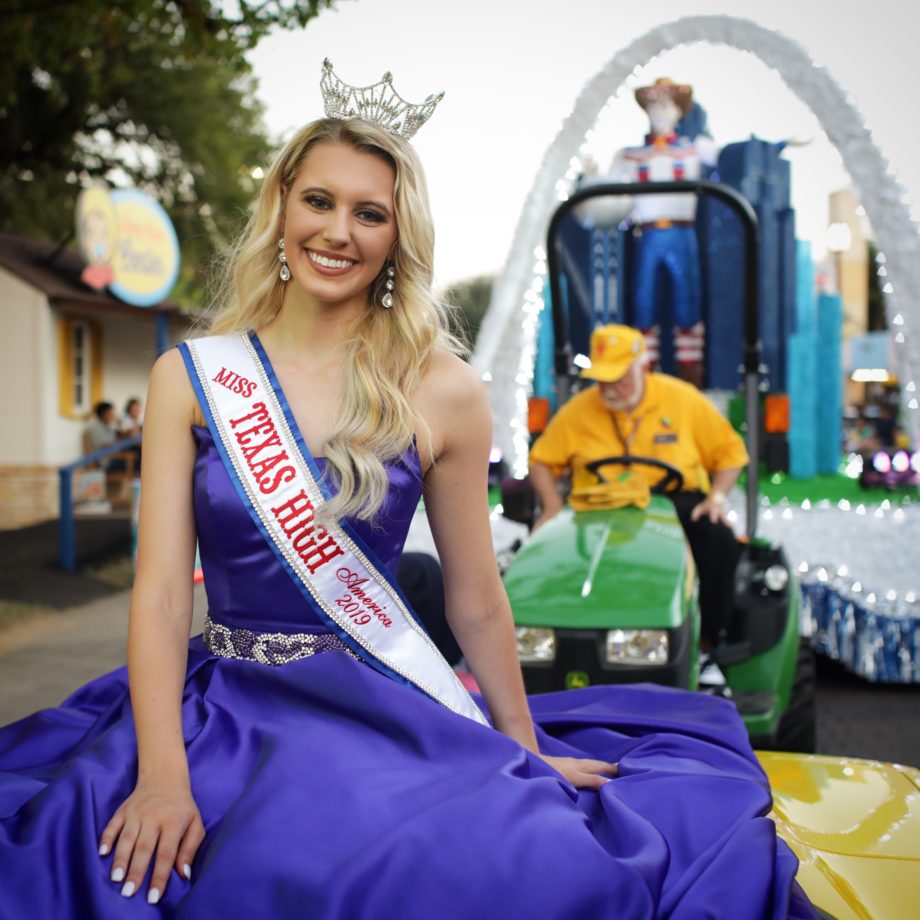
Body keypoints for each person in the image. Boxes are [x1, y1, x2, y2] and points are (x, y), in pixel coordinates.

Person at [0, 62, 813, 919]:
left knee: (515, 871)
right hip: (220, 710)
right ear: (281, 208)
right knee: (107, 865)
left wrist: (523, 742)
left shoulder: (443, 390)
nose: (337, 231)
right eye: (318, 201)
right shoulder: (190, 376)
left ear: (397, 236)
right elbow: (164, 596)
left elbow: (476, 600)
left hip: (375, 709)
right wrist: (163, 776)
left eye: (369, 213)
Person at [529, 323, 748, 651]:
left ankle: (706, 643)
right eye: (603, 380)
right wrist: (551, 507)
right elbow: (541, 461)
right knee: (545, 548)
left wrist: (716, 497)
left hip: (673, 504)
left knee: (717, 537)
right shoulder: (578, 409)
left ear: (643, 367)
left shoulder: (682, 399)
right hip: (596, 509)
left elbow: (731, 454)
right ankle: (551, 643)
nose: (609, 389)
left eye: (618, 378)